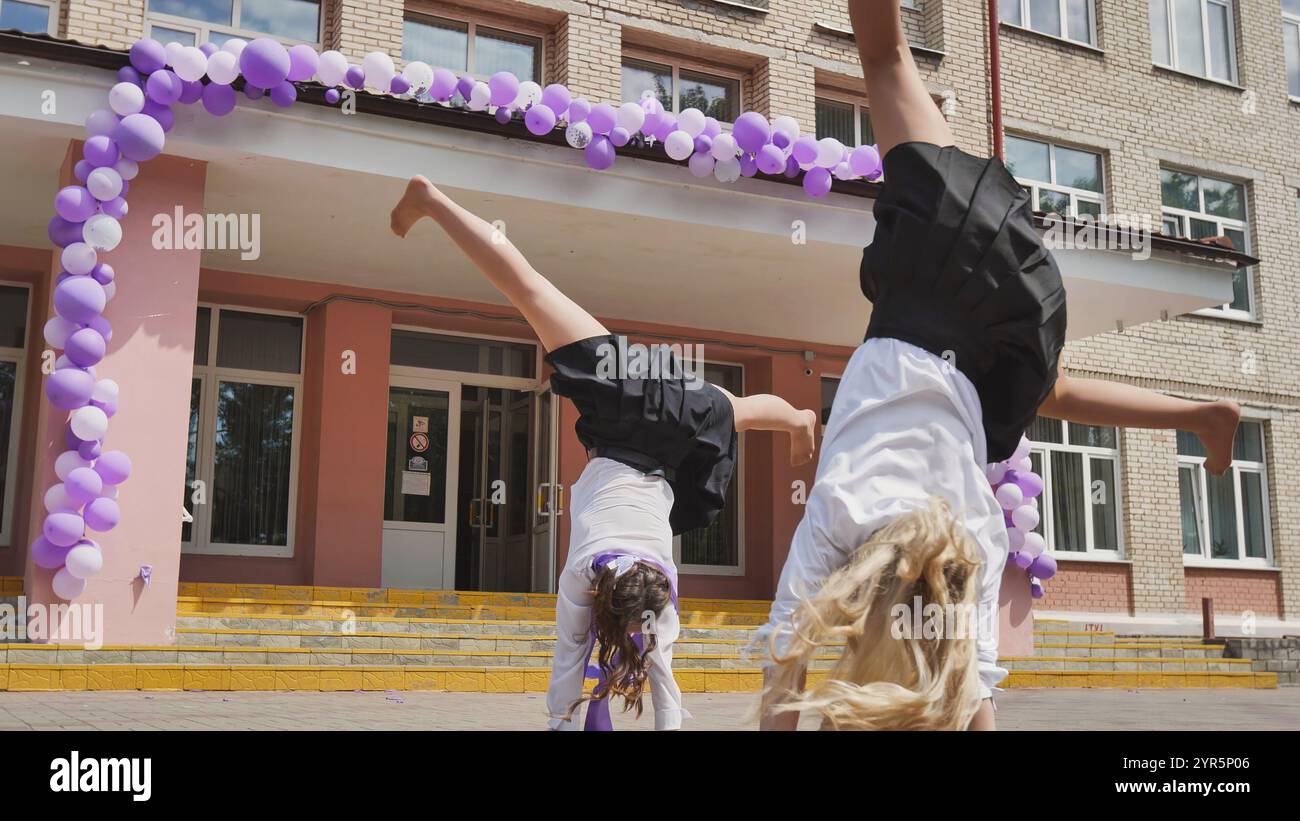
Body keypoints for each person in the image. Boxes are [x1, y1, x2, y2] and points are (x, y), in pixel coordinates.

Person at [754, 0, 1242, 731]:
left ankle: (1198, 414)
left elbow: (978, 704)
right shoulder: (839, 518)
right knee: (884, 53)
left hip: (1012, 308)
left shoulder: (969, 551)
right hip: (939, 272)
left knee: (1060, 391)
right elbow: (782, 678)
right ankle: (1199, 415)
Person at [391, 177, 818, 730]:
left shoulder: (662, 586)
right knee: (531, 291)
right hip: (625, 409)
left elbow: (668, 697)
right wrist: (558, 724)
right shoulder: (579, 577)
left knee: (744, 408)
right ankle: (433, 201)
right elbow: (569, 664)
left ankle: (799, 421)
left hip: (673, 422)